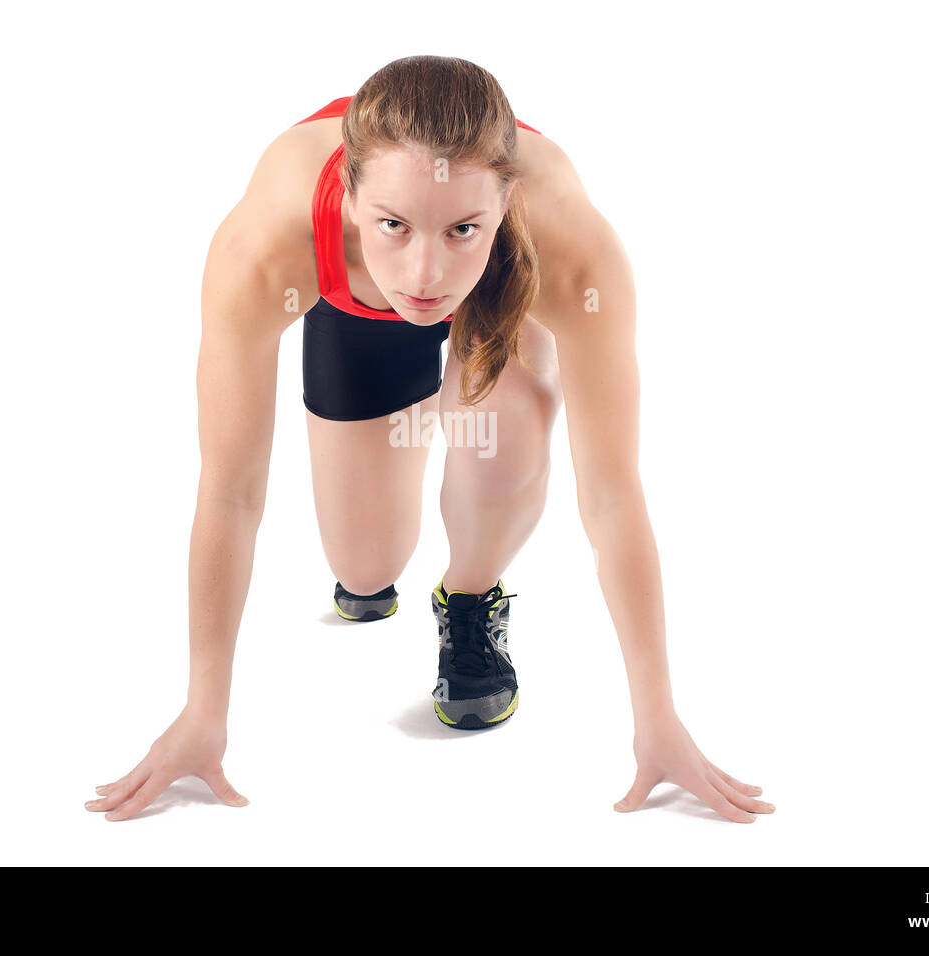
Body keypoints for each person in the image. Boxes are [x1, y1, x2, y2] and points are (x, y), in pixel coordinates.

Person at [85, 56, 774, 823]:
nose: (425, 271)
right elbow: (231, 489)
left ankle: (472, 594)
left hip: (505, 299)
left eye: (461, 228)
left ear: (506, 198)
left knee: (500, 434)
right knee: (364, 567)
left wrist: (659, 717)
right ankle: (383, 491)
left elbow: (612, 494)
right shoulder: (265, 246)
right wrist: (202, 709)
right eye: (394, 224)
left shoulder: (572, 249)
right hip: (352, 306)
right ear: (349, 195)